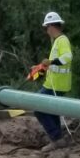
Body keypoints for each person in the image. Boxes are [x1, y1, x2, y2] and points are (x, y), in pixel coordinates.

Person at [31, 11, 73, 149]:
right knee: (51, 110)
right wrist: (40, 68)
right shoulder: (58, 41)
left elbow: (67, 57)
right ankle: (58, 138)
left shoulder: (62, 40)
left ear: (51, 26)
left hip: (57, 85)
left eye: (46, 27)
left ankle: (56, 138)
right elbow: (53, 64)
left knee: (37, 106)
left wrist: (51, 62)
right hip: (53, 83)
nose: (46, 31)